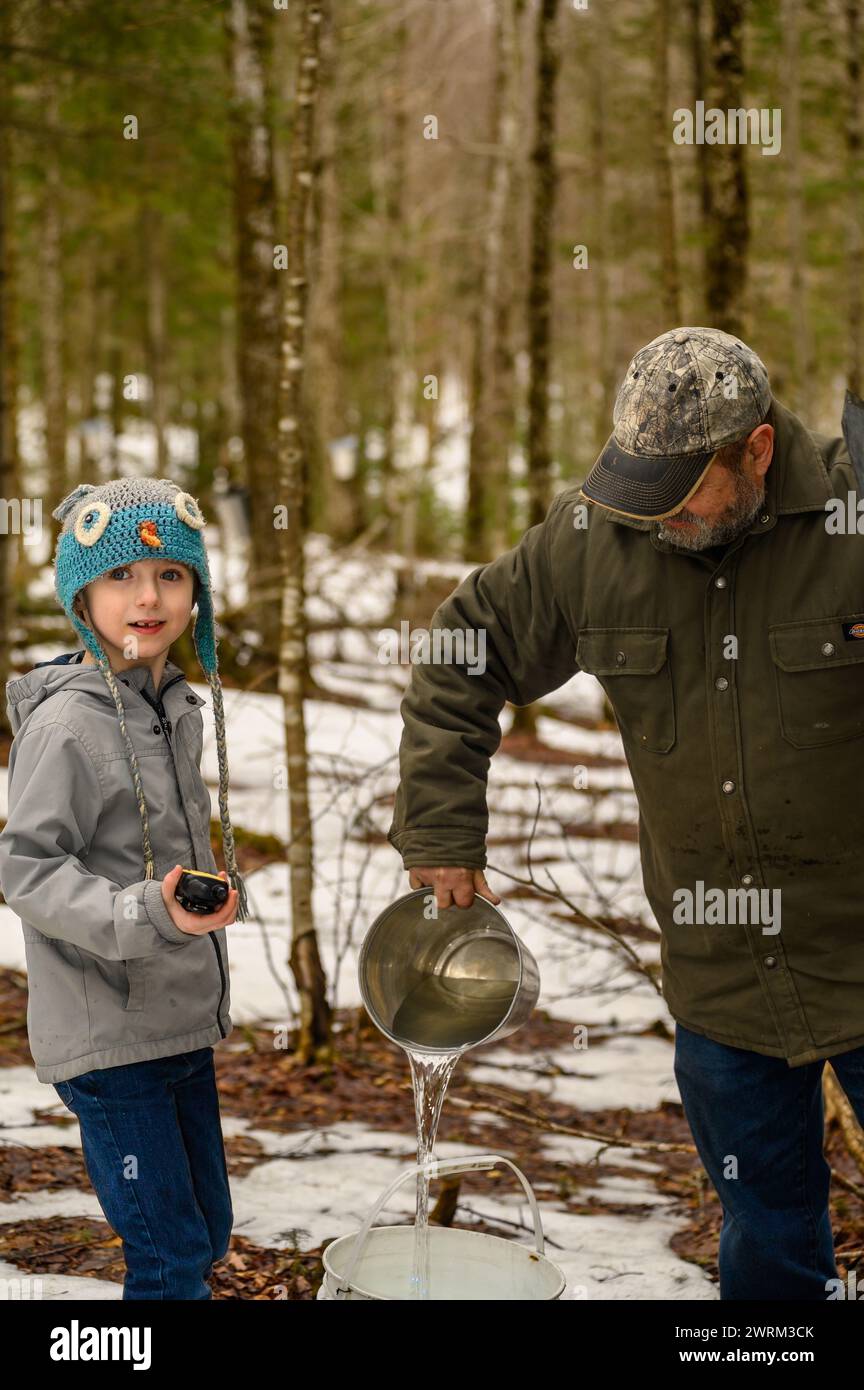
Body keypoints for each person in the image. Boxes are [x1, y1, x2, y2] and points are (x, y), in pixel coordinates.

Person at [387, 325, 864, 1300]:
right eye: (638, 486)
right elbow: (463, 646)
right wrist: (441, 823)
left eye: (681, 490)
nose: (655, 516)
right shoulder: (595, 539)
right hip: (722, 985)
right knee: (768, 1231)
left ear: (759, 451)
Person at [0, 476, 250, 1300]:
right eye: (121, 577)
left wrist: (200, 897)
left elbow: (163, 850)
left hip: (178, 1022)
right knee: (170, 1258)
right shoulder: (66, 726)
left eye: (171, 576)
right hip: (110, 1035)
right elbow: (26, 869)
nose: (148, 597)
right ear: (81, 592)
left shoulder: (169, 705)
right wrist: (145, 911)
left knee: (207, 1233)